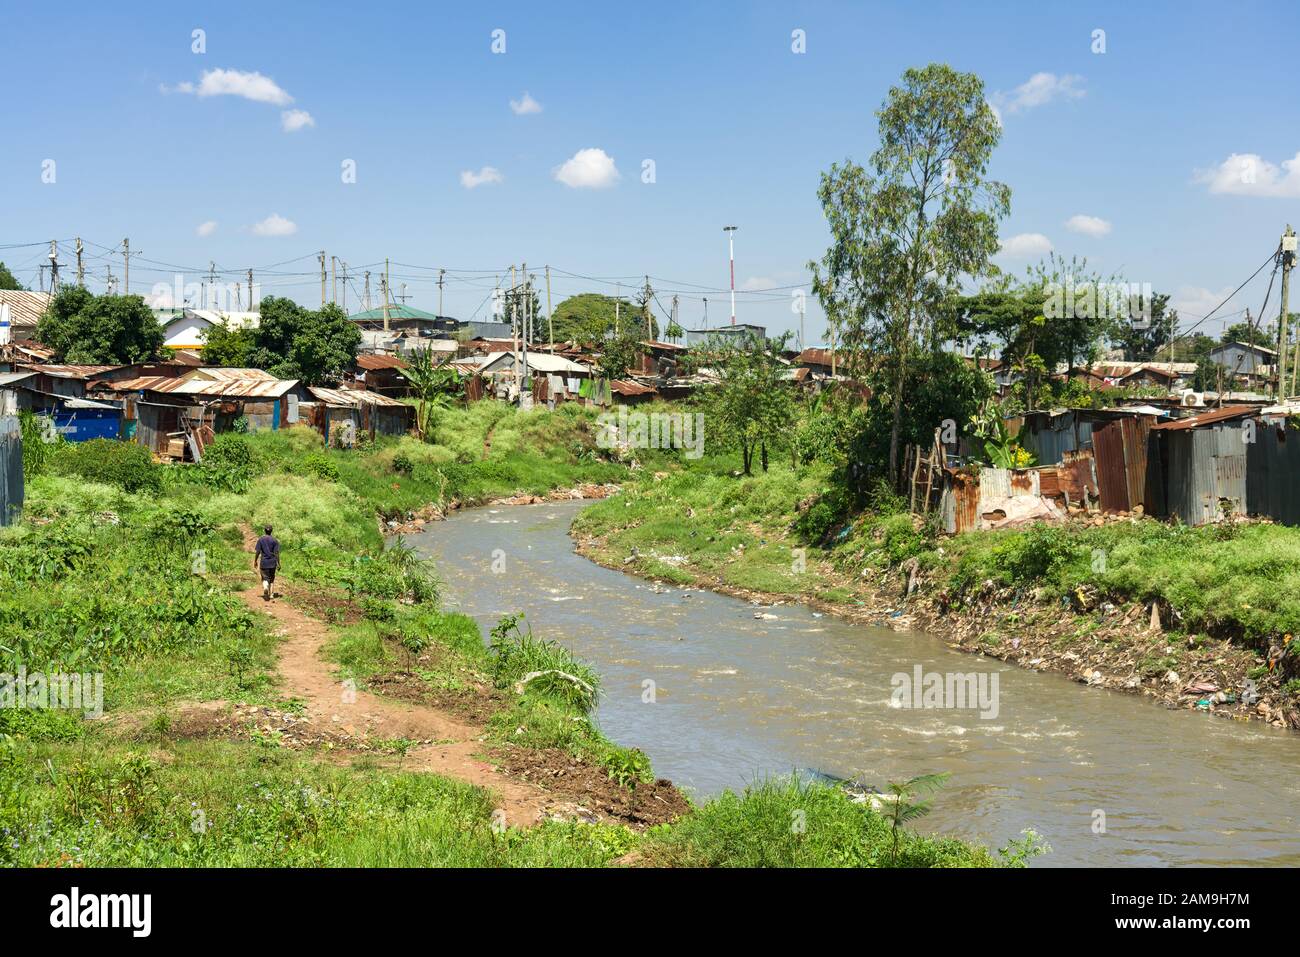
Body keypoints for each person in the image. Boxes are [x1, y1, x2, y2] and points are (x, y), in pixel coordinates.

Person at [254, 525, 280, 600]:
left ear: (264, 530)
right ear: (271, 531)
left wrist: (255, 561)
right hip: (272, 562)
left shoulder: (261, 540)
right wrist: (278, 563)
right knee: (272, 578)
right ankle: (271, 594)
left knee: (265, 577)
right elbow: (276, 553)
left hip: (264, 562)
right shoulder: (275, 540)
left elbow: (258, 551)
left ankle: (265, 587)